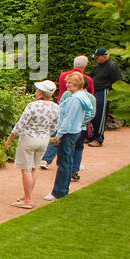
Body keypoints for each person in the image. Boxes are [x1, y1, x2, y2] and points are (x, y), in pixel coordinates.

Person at [4, 79, 59, 209]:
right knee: (35, 168)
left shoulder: (33, 106)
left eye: (38, 90)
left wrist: (10, 139)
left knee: (26, 169)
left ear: (41, 92)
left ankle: (28, 200)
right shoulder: (56, 107)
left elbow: (21, 124)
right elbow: (54, 126)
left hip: (29, 139)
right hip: (43, 140)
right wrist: (46, 134)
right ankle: (27, 196)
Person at [45, 71, 95, 201]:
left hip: (68, 133)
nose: (67, 85)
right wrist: (79, 123)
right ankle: (63, 190)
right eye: (67, 82)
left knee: (63, 162)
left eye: (70, 83)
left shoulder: (74, 100)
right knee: (67, 161)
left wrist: (59, 134)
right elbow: (88, 113)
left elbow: (68, 119)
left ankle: (59, 192)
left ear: (77, 84)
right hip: (75, 131)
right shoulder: (83, 97)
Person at [40, 56, 95, 172]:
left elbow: (62, 95)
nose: (67, 84)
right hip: (78, 125)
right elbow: (90, 111)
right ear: (85, 66)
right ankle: (74, 168)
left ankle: (47, 160)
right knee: (77, 147)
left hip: (65, 117)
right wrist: (81, 121)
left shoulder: (63, 76)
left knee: (60, 143)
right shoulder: (88, 87)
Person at [87, 47, 123, 147]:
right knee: (92, 114)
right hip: (94, 92)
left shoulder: (112, 66)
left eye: (97, 57)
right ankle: (90, 136)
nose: (96, 59)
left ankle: (98, 138)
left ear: (104, 56)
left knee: (100, 115)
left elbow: (117, 81)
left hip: (103, 92)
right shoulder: (98, 66)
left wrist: (111, 92)